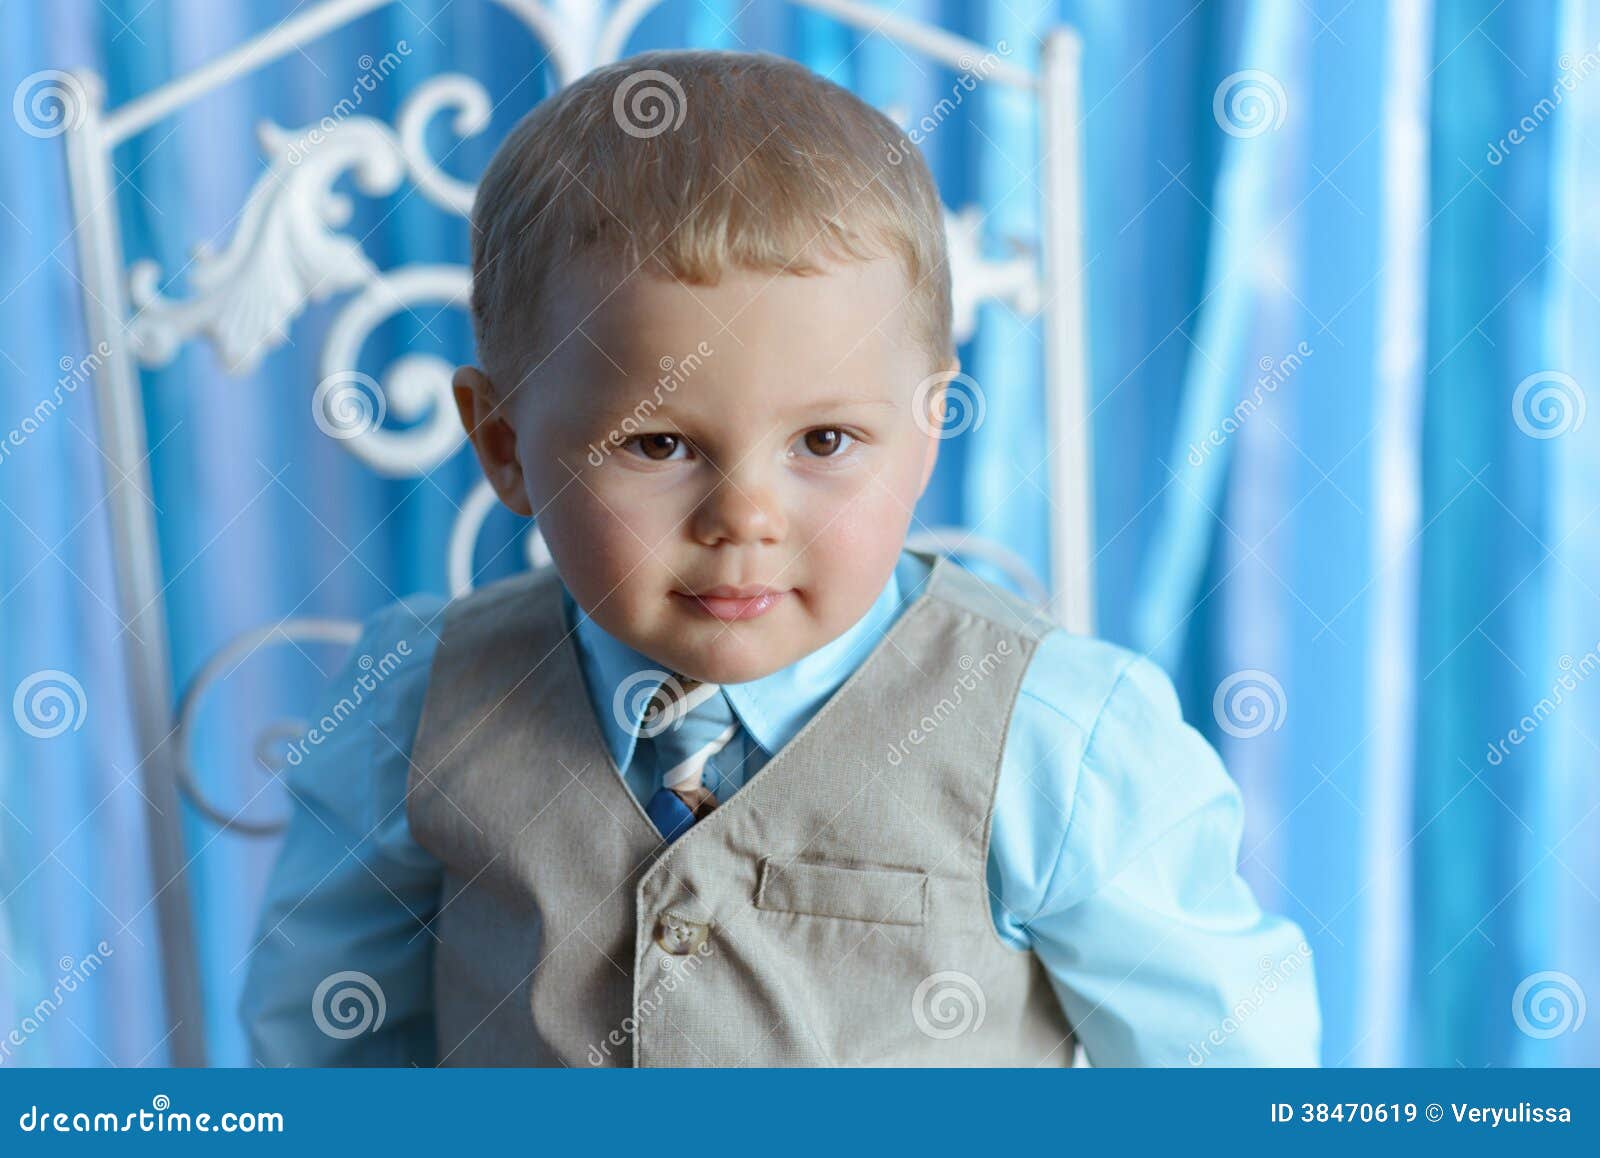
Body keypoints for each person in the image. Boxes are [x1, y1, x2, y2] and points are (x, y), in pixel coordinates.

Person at [240, 48, 1320, 1067]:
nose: (744, 517)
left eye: (824, 442)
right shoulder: (420, 700)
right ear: (505, 448)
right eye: (659, 445)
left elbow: (1222, 1065)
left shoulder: (1054, 735)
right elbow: (326, 1043)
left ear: (927, 428)